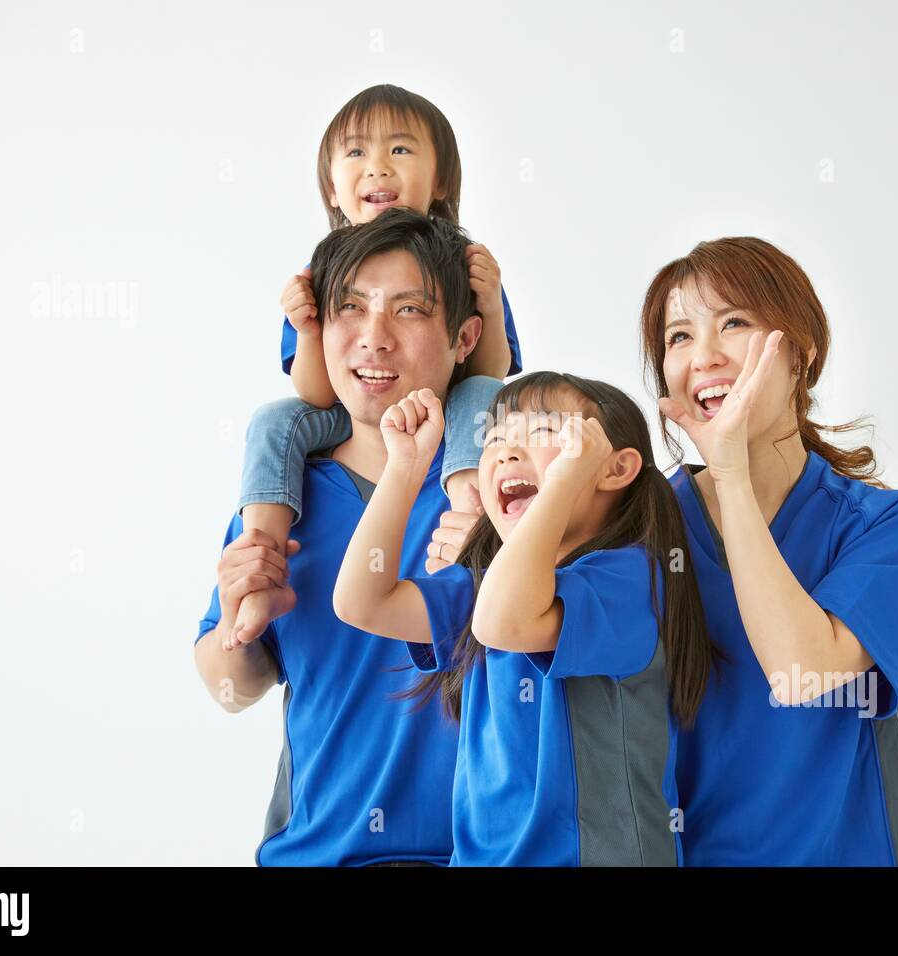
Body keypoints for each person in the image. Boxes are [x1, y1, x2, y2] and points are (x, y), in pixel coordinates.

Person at [194, 208, 486, 865]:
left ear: (465, 337)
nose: (373, 339)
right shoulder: (279, 501)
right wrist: (236, 632)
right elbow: (233, 691)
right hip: (314, 853)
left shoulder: (492, 498)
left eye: (409, 310)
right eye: (350, 308)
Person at [333, 373, 715, 865]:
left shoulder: (628, 581)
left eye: (542, 432)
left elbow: (502, 623)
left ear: (616, 469)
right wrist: (405, 468)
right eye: (494, 439)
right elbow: (362, 602)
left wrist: (563, 481)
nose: (507, 452)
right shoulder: (490, 585)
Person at [641, 236, 898, 865]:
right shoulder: (640, 526)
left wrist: (731, 478)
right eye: (679, 337)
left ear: (800, 353)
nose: (705, 355)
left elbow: (801, 673)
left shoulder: (887, 526)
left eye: (734, 323)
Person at [231, 83, 524, 647]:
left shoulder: (465, 264)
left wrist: (487, 301)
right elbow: (318, 396)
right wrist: (311, 327)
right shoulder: (320, 273)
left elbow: (488, 371)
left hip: (447, 415)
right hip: (356, 416)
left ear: (440, 183)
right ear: (332, 188)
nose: (378, 169)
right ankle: (262, 559)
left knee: (478, 394)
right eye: (357, 154)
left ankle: (468, 513)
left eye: (401, 151)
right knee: (275, 419)